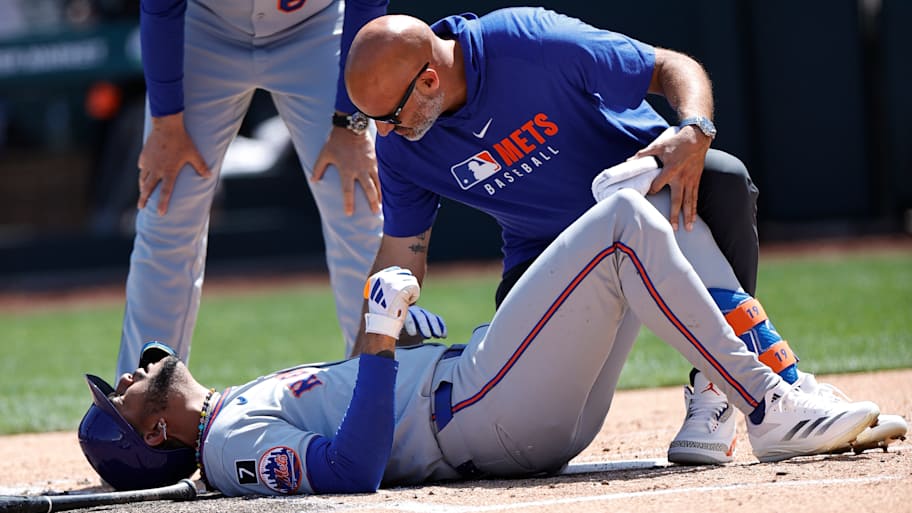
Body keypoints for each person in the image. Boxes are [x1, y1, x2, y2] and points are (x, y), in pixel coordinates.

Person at [341, 9, 905, 465]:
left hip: (654, 199)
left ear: (430, 79)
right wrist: (365, 368)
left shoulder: (528, 42)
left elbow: (672, 66)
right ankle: (775, 394)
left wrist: (694, 131)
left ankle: (743, 391)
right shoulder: (401, 150)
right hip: (548, 262)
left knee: (716, 181)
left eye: (388, 116)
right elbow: (399, 257)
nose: (382, 133)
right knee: (533, 424)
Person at [78, 187, 885, 495]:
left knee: (647, 197)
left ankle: (725, 404)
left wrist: (396, 348)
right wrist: (380, 344)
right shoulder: (228, 450)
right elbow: (350, 472)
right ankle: (765, 402)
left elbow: (360, 415)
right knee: (623, 218)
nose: (130, 375)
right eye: (120, 395)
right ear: (153, 433)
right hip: (479, 414)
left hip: (482, 398)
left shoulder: (229, 419)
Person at [115, 0, 388, 380]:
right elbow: (160, 7)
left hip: (316, 26)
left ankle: (386, 387)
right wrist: (166, 123)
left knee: (359, 205)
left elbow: (367, 4)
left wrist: (352, 124)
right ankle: (142, 397)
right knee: (167, 211)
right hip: (206, 26)